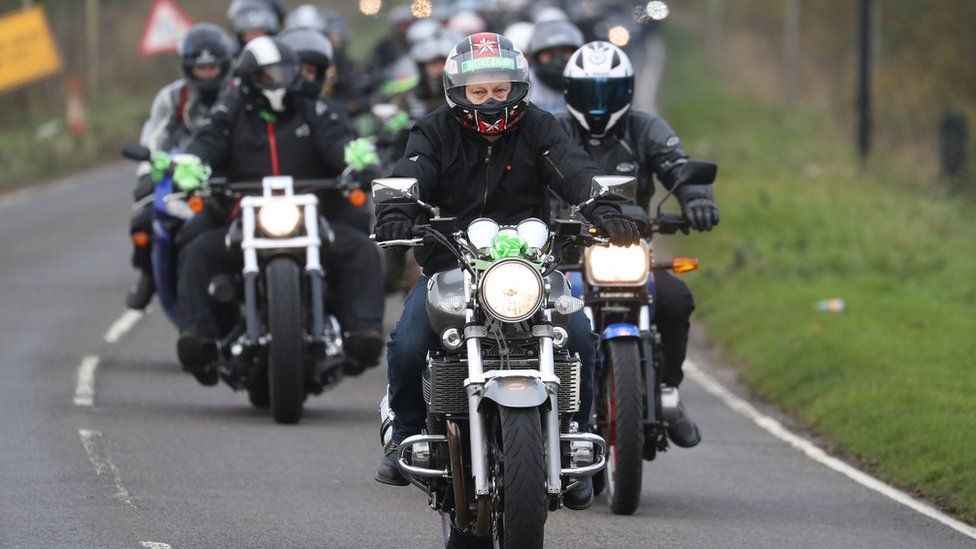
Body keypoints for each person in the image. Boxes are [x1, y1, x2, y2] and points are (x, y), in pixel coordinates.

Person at [372, 33, 640, 511]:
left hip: (530, 267)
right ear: (458, 92)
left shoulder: (540, 127)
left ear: (518, 88)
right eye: (479, 92)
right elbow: (412, 172)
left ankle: (574, 438)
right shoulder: (432, 131)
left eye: (500, 89)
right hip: (451, 265)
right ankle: (405, 435)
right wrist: (397, 209)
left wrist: (603, 208)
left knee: (579, 335)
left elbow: (576, 171)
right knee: (410, 341)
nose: (491, 101)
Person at [173, 37, 385, 384]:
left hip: (312, 217)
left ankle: (362, 333)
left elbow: (338, 141)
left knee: (361, 247)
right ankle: (200, 338)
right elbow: (207, 141)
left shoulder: (314, 110)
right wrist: (192, 166)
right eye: (271, 75)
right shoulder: (230, 111)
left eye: (287, 73)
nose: (282, 82)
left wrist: (357, 163)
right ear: (250, 78)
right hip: (243, 217)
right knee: (197, 249)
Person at [560, 41, 720, 447]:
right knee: (545, 313)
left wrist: (697, 200)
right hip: (564, 256)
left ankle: (667, 391)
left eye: (608, 91)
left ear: (627, 91)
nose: (598, 103)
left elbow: (677, 165)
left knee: (675, 298)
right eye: (588, 92)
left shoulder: (645, 128)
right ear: (569, 91)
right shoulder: (553, 131)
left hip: (629, 249)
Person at [126, 23, 238, 310]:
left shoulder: (240, 92)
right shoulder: (171, 98)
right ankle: (149, 277)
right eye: (201, 68)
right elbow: (154, 136)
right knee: (143, 218)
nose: (208, 73)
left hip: (234, 174)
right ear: (188, 68)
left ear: (226, 64)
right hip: (182, 176)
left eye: (213, 67)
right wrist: (147, 175)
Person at [526, 19, 584, 113]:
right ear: (537, 57)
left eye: (564, 51)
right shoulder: (525, 86)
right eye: (550, 54)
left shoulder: (588, 83)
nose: (558, 60)